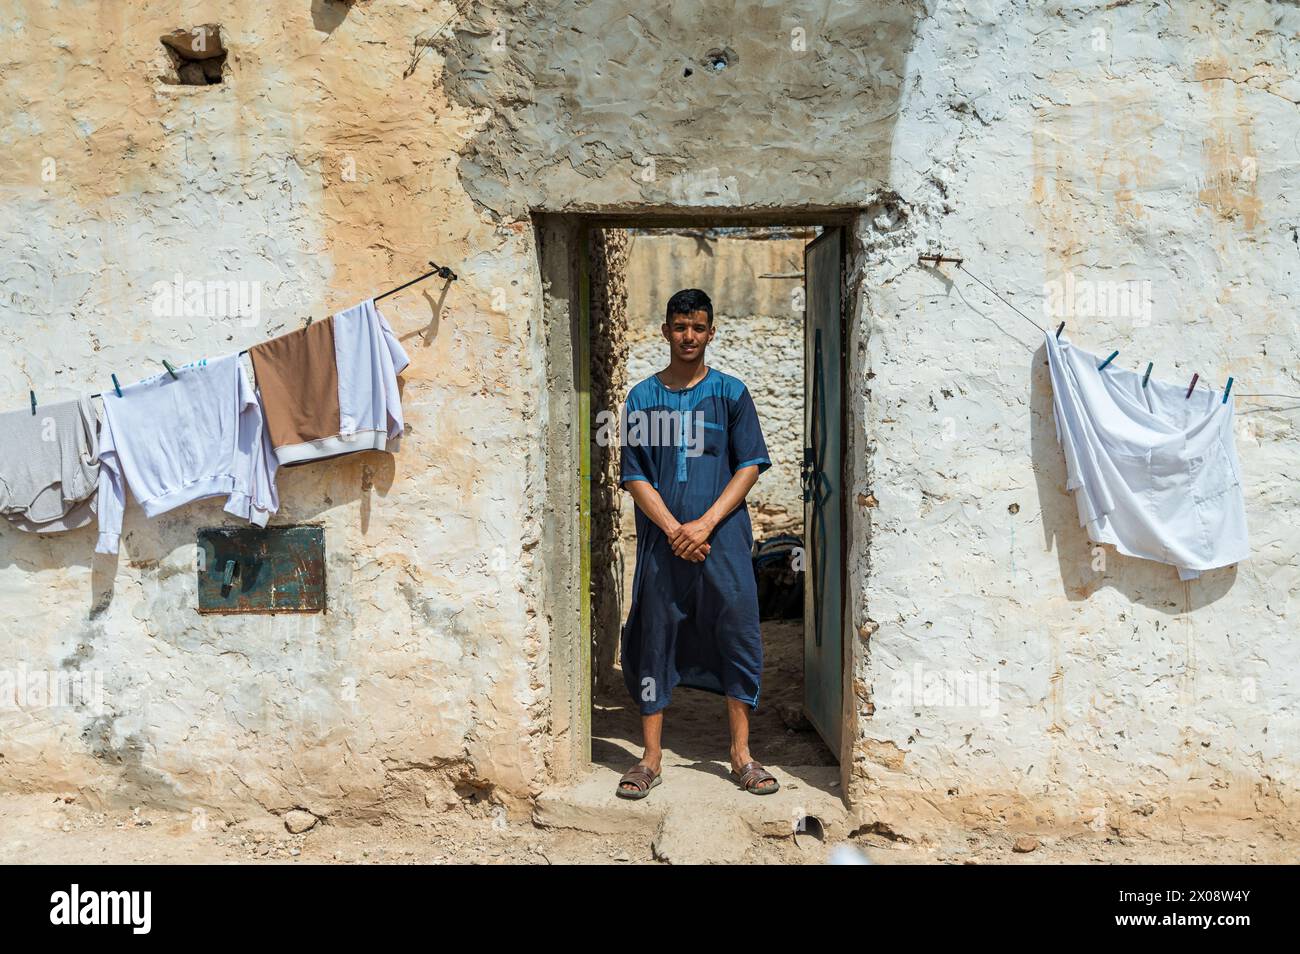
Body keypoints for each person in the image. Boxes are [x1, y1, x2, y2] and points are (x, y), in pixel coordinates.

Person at [615, 288, 779, 799]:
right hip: (664, 544)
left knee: (736, 629)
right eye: (680, 327)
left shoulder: (732, 394)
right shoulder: (642, 398)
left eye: (698, 327)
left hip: (723, 540)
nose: (689, 336)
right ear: (666, 331)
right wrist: (673, 529)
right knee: (655, 632)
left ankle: (741, 755)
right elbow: (634, 473)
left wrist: (705, 524)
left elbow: (749, 463)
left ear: (711, 333)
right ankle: (650, 758)